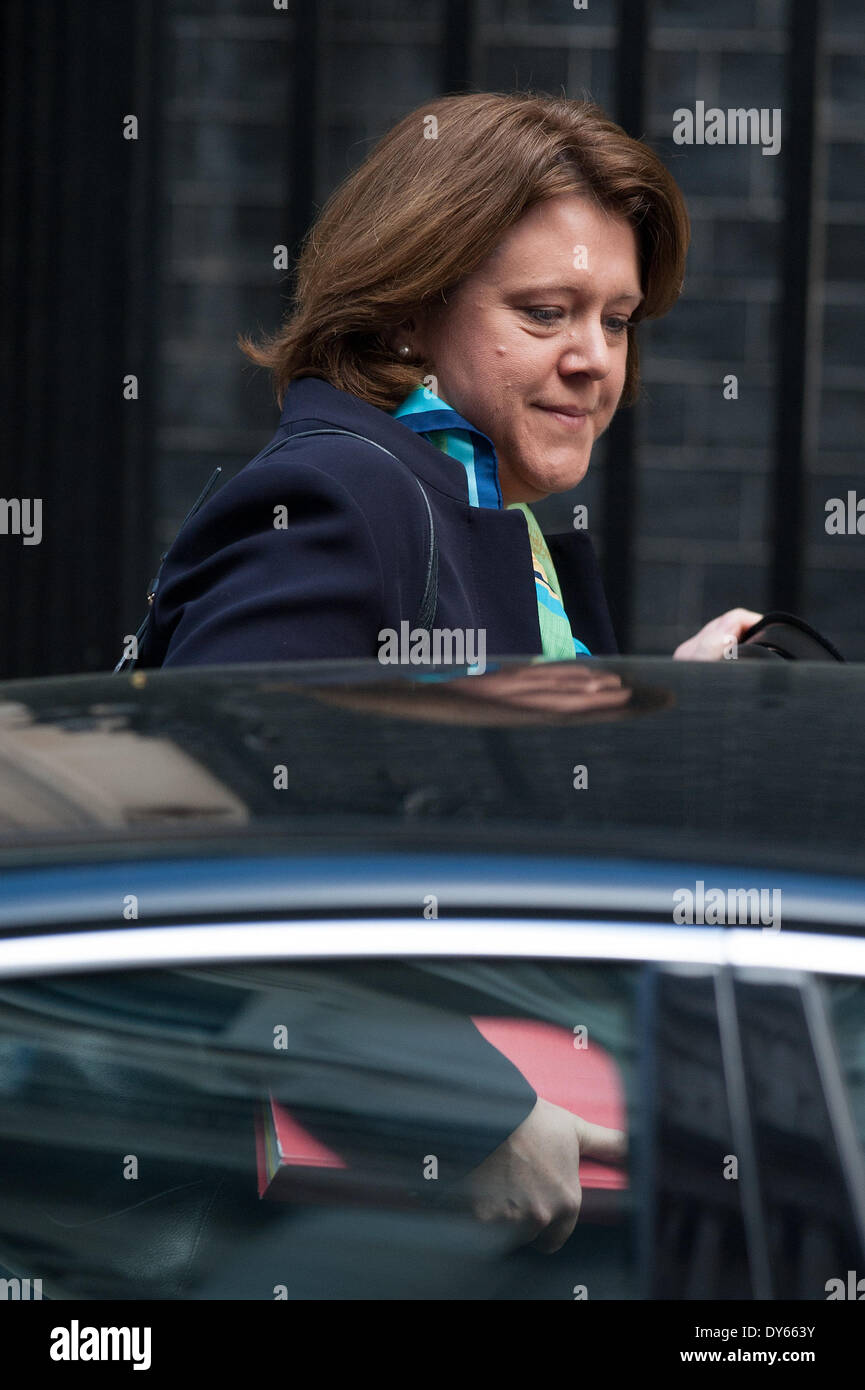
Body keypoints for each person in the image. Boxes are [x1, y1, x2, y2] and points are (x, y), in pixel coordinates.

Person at [138, 90, 762, 1253]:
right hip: (322, 1228)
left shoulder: (480, 508)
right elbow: (204, 856)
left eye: (617, 320)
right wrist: (463, 1112)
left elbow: (443, 811)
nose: (592, 361)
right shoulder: (345, 501)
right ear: (414, 313)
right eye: (545, 312)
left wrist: (657, 717)